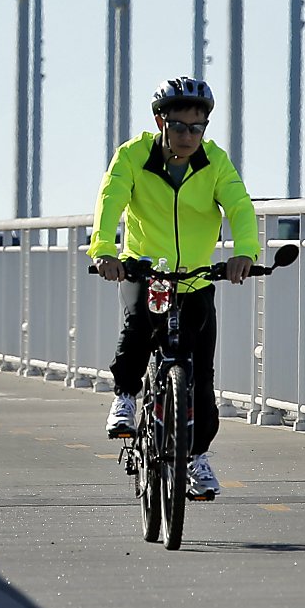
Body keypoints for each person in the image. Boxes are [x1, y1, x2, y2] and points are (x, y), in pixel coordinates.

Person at [88, 76, 260, 500]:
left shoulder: (214, 162)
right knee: (137, 326)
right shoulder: (133, 156)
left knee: (200, 377)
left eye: (196, 127)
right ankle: (126, 397)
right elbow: (110, 201)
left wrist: (245, 252)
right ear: (160, 121)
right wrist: (104, 250)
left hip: (196, 278)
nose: (187, 136)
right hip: (144, 271)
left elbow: (239, 205)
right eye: (179, 126)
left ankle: (197, 457)